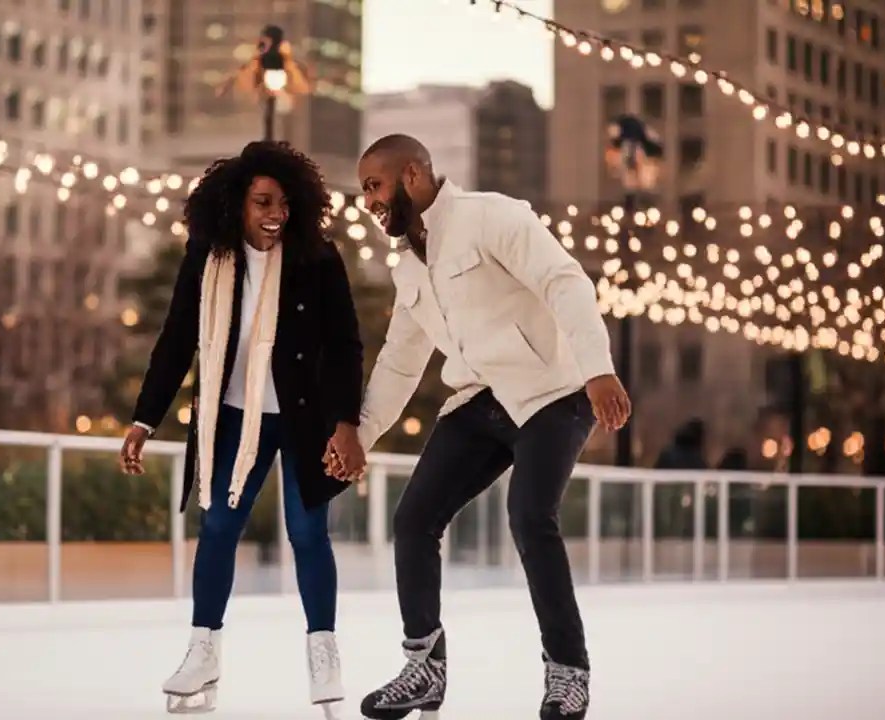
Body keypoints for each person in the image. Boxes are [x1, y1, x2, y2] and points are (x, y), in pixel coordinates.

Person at [337, 134, 631, 720]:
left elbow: (563, 281)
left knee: (528, 514)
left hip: (555, 389)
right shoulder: (411, 269)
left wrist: (598, 369)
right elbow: (400, 360)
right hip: (482, 397)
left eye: (374, 185)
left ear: (414, 175)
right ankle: (424, 668)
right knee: (415, 517)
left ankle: (567, 672)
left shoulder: (490, 215)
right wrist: (360, 437)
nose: (367, 200)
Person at [119, 140, 366, 717]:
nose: (274, 213)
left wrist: (346, 422)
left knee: (308, 535)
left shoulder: (318, 258)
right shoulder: (207, 256)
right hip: (230, 416)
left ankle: (323, 653)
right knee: (220, 526)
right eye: (262, 202)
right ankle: (203, 650)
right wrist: (143, 419)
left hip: (305, 420)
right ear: (237, 204)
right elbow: (177, 339)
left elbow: (347, 346)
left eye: (282, 202)